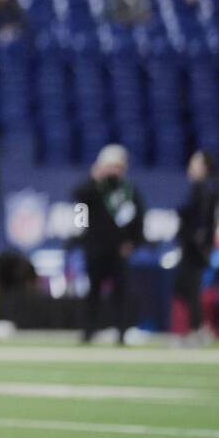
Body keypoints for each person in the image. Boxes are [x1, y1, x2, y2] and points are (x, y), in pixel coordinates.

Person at [71, 144, 147, 345]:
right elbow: (78, 200)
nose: (114, 171)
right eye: (110, 166)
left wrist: (132, 243)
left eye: (118, 167)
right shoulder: (93, 189)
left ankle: (121, 332)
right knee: (93, 292)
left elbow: (139, 219)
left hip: (119, 251)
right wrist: (94, 178)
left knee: (120, 293)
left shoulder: (128, 191)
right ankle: (88, 332)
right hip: (95, 249)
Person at [173, 149, 219, 346]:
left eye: (195, 162)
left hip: (195, 248)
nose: (191, 166)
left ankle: (197, 331)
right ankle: (198, 328)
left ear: (205, 167)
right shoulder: (202, 188)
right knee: (184, 288)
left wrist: (199, 242)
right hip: (192, 246)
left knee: (191, 289)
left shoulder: (204, 189)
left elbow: (202, 221)